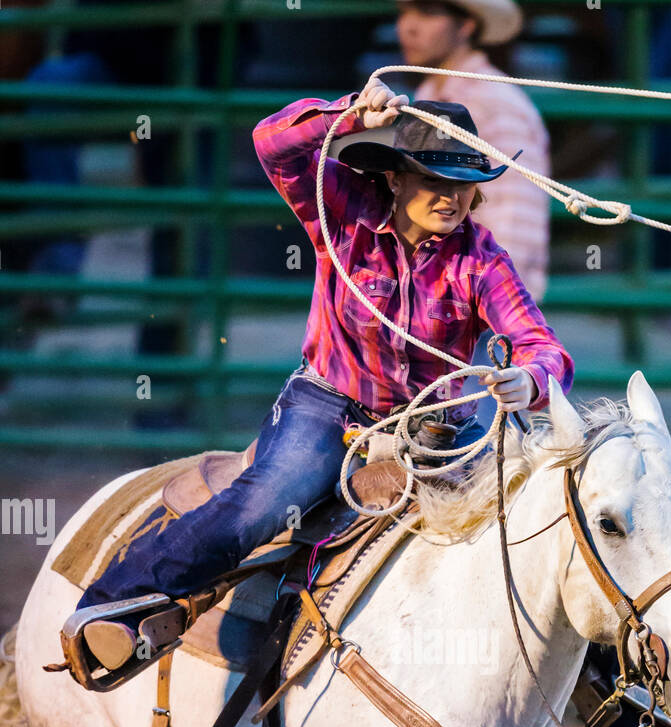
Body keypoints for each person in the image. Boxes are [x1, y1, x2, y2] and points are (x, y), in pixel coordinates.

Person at [69, 76, 572, 672]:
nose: (451, 198)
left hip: (435, 423)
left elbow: (544, 347)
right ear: (395, 177)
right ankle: (114, 606)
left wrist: (531, 381)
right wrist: (350, 115)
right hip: (330, 404)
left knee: (532, 520)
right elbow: (271, 143)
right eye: (435, 181)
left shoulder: (480, 258)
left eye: (464, 184)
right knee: (267, 501)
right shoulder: (342, 209)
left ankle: (611, 689)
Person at [396, 0, 550, 302]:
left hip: (480, 296)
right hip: (438, 292)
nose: (409, 27)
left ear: (465, 26)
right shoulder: (431, 95)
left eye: (427, 13)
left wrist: (496, 295)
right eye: (404, 13)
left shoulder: (493, 100)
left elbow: (515, 208)